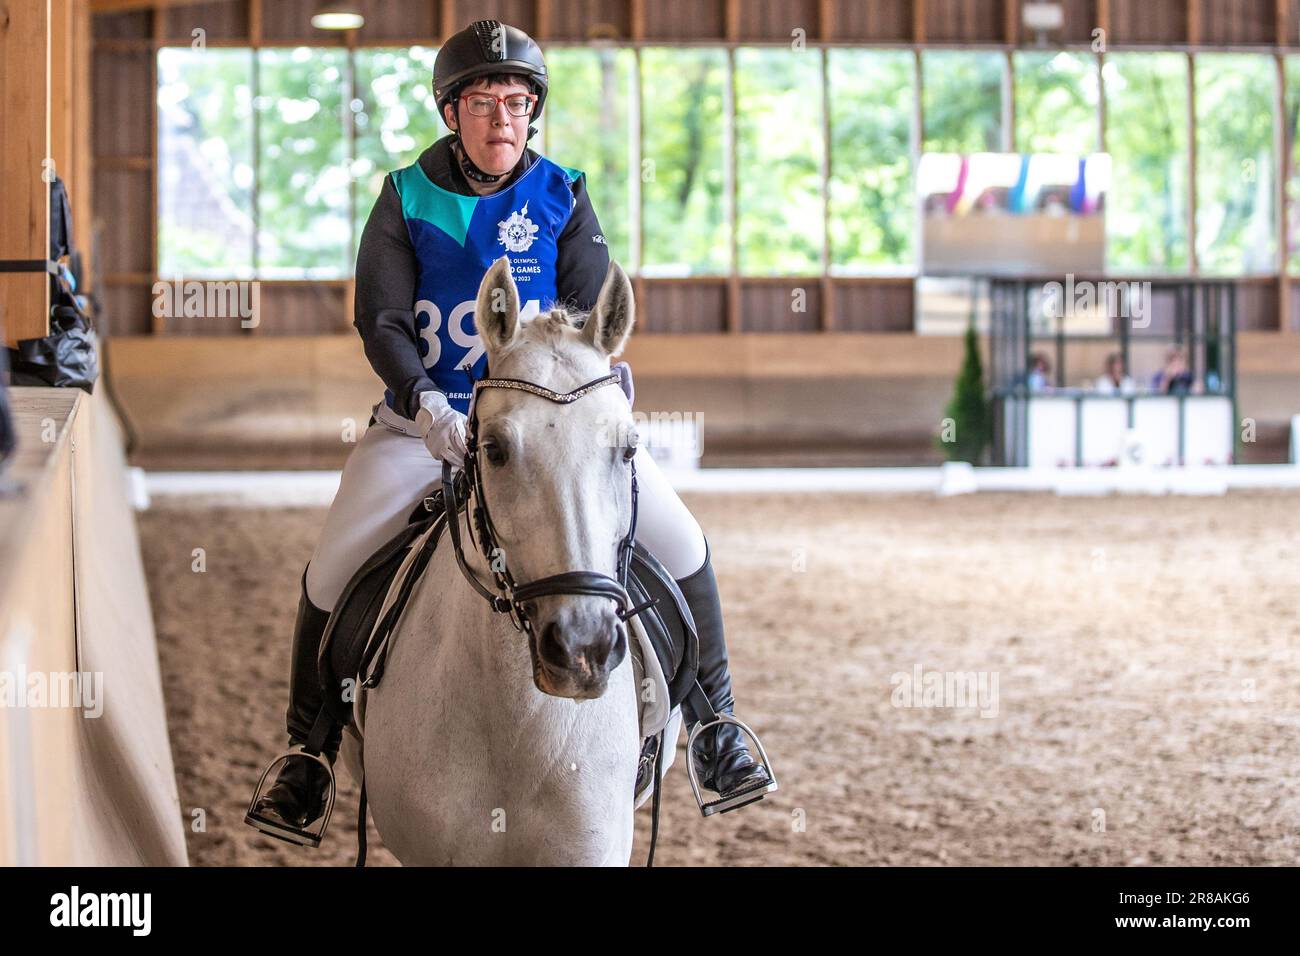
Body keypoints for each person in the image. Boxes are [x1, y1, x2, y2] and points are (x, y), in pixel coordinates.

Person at [247, 20, 773, 843]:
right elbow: (380, 318)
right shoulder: (405, 196)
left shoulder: (563, 191)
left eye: (520, 102)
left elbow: (593, 315)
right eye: (487, 102)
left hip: (547, 425)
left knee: (682, 541)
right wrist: (425, 401)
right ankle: (307, 755)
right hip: (425, 426)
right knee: (335, 563)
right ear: (451, 111)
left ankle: (717, 727)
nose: (505, 120)